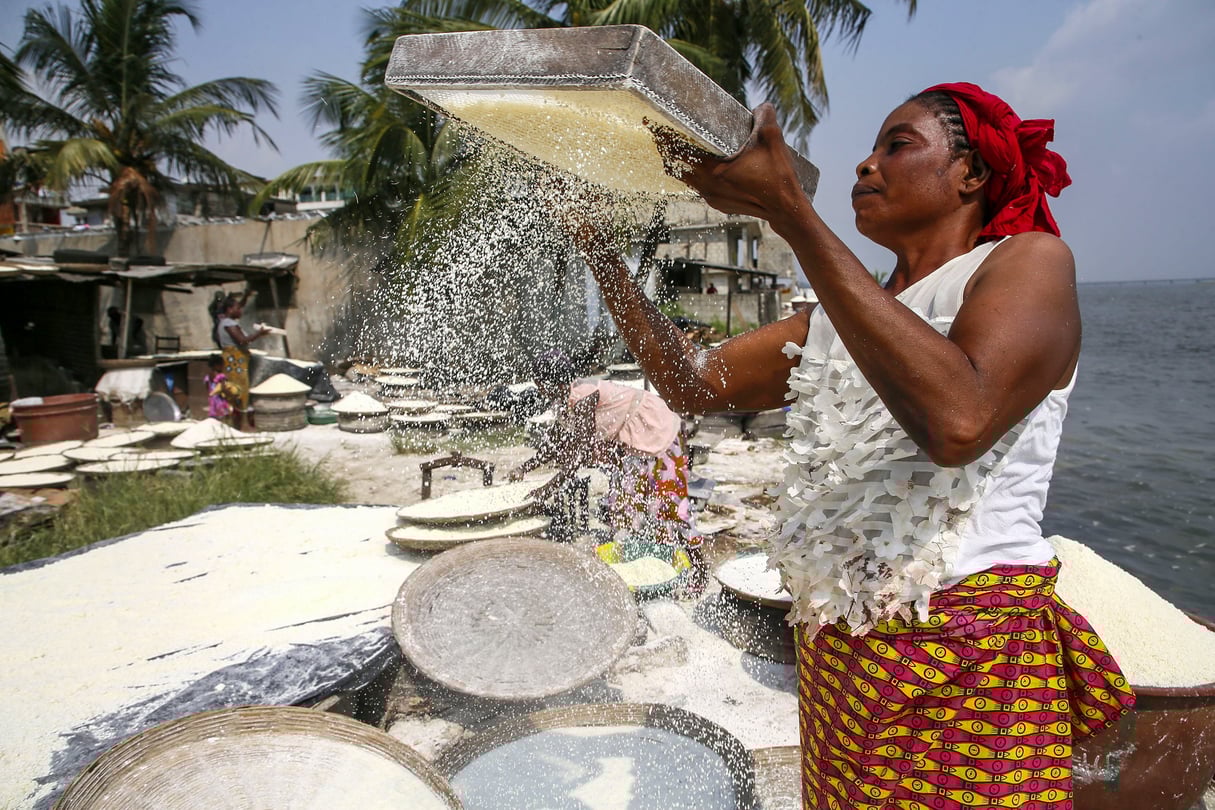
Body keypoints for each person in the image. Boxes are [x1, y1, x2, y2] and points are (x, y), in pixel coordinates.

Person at [566, 83, 1135, 808]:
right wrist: (599, 249)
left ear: (972, 174)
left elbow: (957, 422)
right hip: (838, 645)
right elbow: (691, 386)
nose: (865, 167)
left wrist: (789, 213)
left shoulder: (1026, 263)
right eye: (868, 152)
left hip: (968, 647)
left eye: (896, 145)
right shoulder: (839, 313)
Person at [509, 350, 707, 593]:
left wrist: (545, 488)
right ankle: (643, 570)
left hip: (658, 430)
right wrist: (524, 468)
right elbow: (554, 444)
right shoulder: (564, 400)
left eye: (541, 384)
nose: (539, 389)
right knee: (625, 506)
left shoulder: (584, 397)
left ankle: (699, 571)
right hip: (633, 442)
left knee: (670, 507)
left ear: (555, 383)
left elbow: (578, 456)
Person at [215, 292, 269, 429]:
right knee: (239, 389)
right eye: (237, 308)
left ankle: (236, 422)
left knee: (237, 388)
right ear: (229, 309)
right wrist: (259, 334)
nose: (240, 311)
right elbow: (241, 340)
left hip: (235, 359)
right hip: (235, 360)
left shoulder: (226, 322)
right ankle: (240, 423)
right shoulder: (229, 323)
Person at [204, 353, 238, 423]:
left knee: (214, 418)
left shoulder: (208, 376)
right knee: (223, 418)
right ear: (216, 365)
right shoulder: (221, 376)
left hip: (212, 400)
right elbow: (223, 388)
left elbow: (208, 389)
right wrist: (231, 394)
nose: (223, 366)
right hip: (220, 400)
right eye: (222, 365)